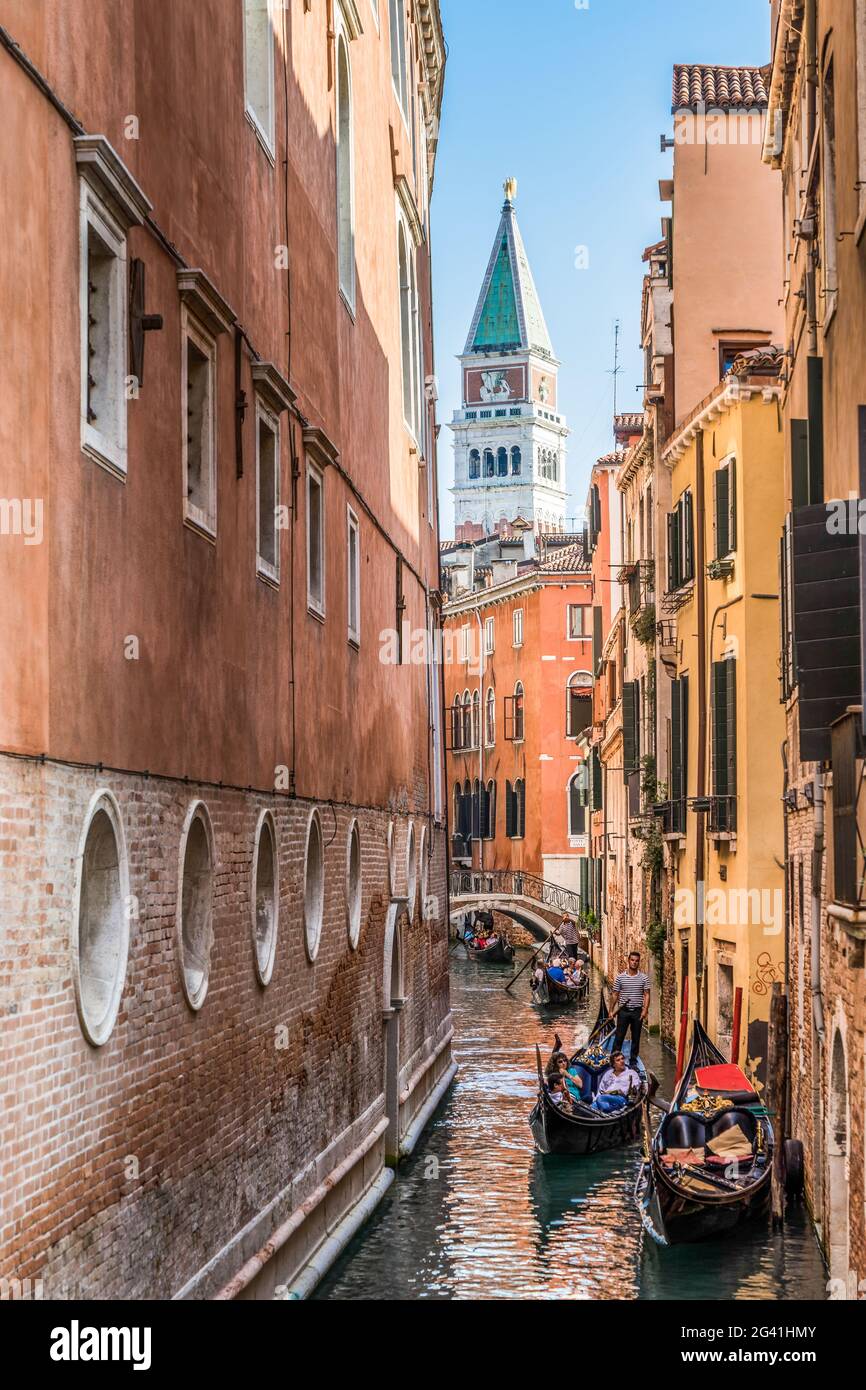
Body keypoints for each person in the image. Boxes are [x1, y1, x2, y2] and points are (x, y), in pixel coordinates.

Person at [610, 951, 650, 1064]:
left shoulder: (644, 978)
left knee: (636, 1038)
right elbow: (615, 994)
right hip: (623, 1011)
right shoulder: (620, 978)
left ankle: (633, 1061)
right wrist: (611, 1011)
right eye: (632, 960)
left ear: (639, 962)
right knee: (619, 1037)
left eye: (636, 961)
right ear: (628, 961)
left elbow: (647, 994)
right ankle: (614, 1061)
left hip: (637, 1011)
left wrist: (645, 1010)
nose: (634, 963)